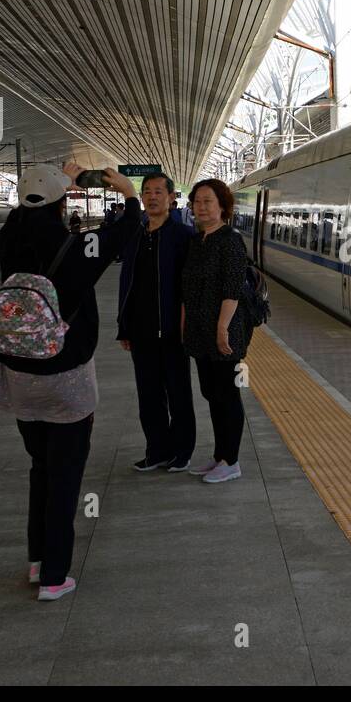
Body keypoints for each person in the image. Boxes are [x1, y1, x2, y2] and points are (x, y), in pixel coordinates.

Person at [0, 163, 140, 600]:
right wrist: (128, 194)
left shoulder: (8, 239)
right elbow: (126, 228)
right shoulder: (79, 246)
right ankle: (56, 578)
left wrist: (53, 188)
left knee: (40, 469)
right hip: (66, 379)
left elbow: (24, 211)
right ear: (64, 204)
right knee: (65, 477)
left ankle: (38, 562)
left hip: (18, 374)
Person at [118, 173, 197, 472]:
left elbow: (191, 287)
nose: (152, 197)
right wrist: (124, 326)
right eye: (147, 192)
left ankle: (182, 450)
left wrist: (188, 325)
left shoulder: (183, 237)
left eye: (158, 192)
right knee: (148, 395)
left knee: (178, 394)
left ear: (171, 197)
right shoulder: (136, 236)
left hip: (174, 331)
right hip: (141, 331)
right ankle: (157, 450)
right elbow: (128, 283)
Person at [182, 179, 249, 484]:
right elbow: (187, 288)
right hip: (199, 331)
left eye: (208, 201)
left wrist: (222, 327)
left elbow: (232, 287)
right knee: (211, 393)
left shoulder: (230, 240)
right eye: (197, 201)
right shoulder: (197, 241)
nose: (202, 207)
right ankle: (219, 455)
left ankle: (232, 460)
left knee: (227, 395)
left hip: (225, 331)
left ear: (223, 206)